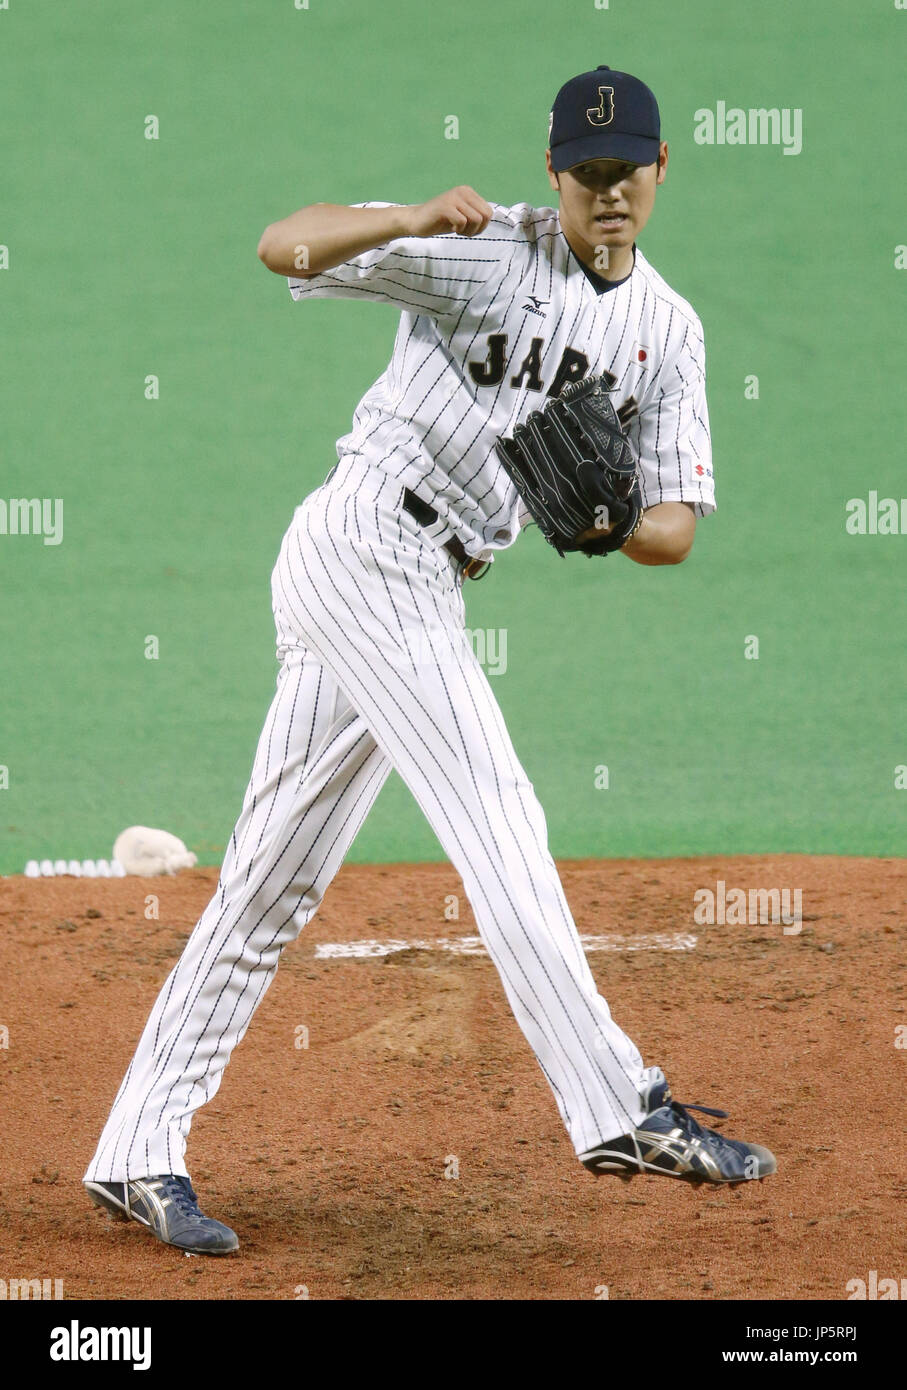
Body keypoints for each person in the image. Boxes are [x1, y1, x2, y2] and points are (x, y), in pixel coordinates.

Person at [83, 65, 775, 1257]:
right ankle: (617, 1108)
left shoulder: (670, 331)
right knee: (496, 812)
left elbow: (673, 523)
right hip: (364, 545)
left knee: (267, 884)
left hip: (424, 585)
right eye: (588, 174)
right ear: (553, 174)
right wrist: (405, 218)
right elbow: (280, 245)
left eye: (631, 174)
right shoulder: (485, 251)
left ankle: (132, 1152)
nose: (610, 195)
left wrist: (607, 525)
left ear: (664, 172)